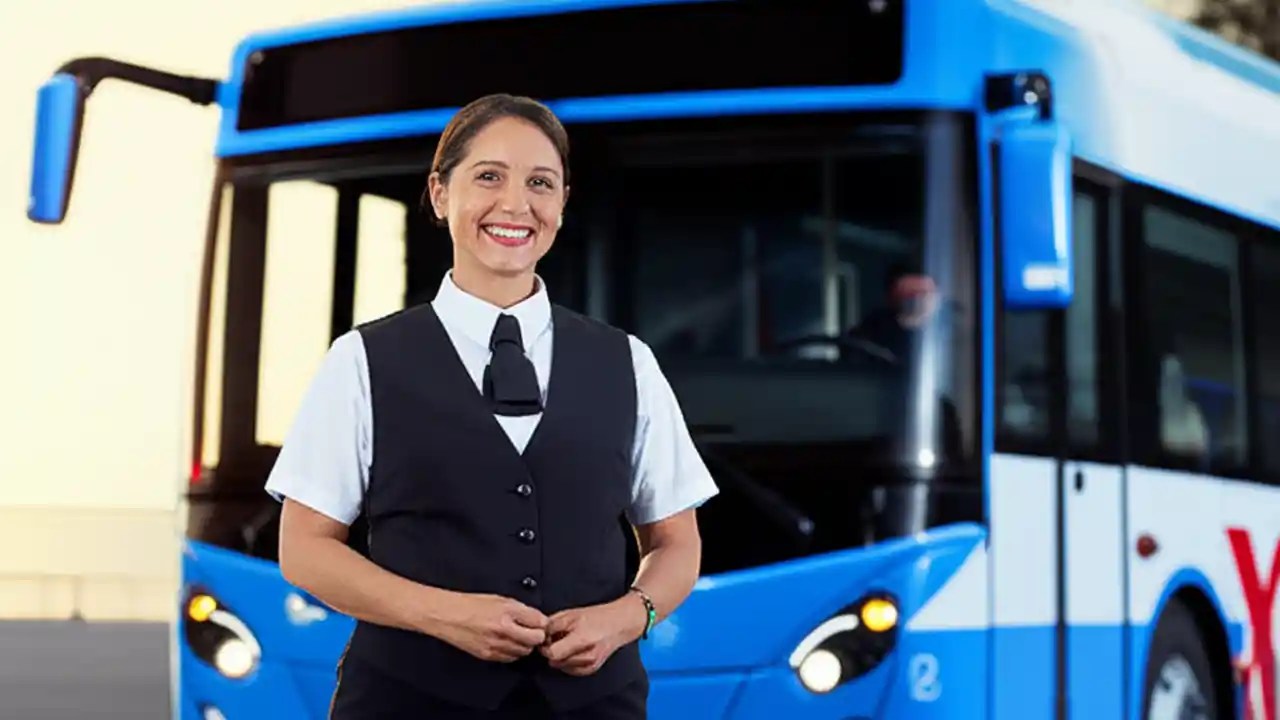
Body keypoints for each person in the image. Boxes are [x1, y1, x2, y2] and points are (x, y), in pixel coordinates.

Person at [265, 94, 719, 719]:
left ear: (562, 203)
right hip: (407, 703)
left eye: (540, 182)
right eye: (488, 176)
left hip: (593, 706)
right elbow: (305, 548)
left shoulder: (629, 362)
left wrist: (623, 619)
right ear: (439, 192)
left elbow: (675, 543)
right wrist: (445, 615)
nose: (515, 204)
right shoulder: (362, 360)